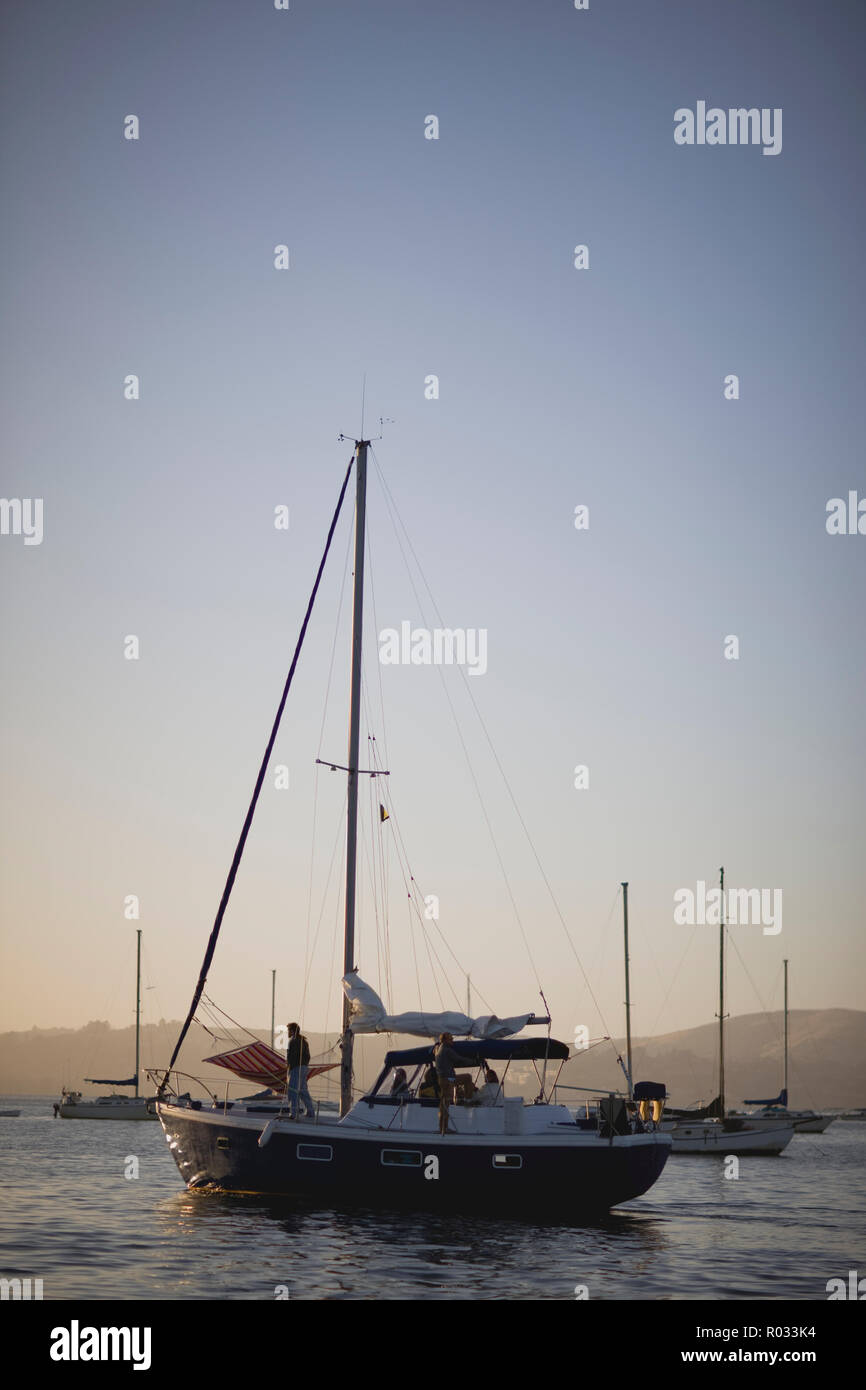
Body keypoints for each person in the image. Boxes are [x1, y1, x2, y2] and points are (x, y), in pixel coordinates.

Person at [433, 1032, 463, 1135]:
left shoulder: (437, 1049)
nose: (452, 1041)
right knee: (446, 1104)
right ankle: (468, 1100)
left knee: (443, 1104)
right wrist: (475, 1060)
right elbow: (459, 1059)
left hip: (441, 1079)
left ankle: (442, 1127)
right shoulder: (447, 1050)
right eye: (451, 1039)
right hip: (448, 1079)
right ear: (445, 1040)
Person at [285, 1022, 315, 1120]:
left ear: (292, 1031)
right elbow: (308, 1056)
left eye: (288, 1030)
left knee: (292, 1090)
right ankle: (310, 1111)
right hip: (304, 1068)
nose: (287, 1032)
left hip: (295, 1068)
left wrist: (289, 1067)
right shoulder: (304, 1041)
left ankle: (293, 1113)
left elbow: (290, 1057)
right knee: (303, 1090)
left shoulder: (293, 1041)